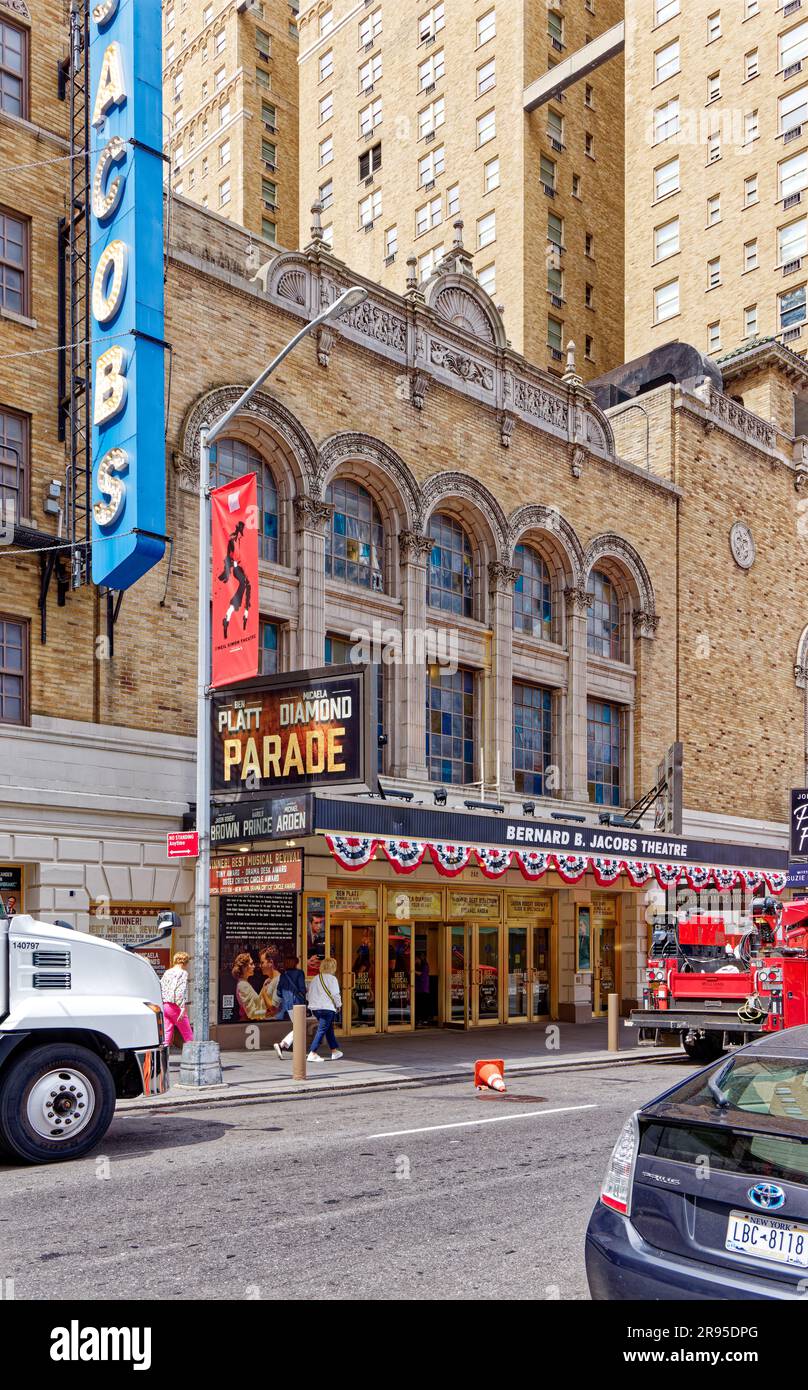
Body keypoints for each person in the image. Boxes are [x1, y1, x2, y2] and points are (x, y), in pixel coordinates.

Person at [218, 519, 251, 639]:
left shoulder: (238, 540)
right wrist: (227, 571)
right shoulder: (232, 540)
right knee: (243, 584)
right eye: (241, 529)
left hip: (240, 567)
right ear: (238, 529)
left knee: (247, 585)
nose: (242, 532)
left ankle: (237, 612)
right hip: (235, 567)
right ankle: (237, 607)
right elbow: (229, 556)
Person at [306, 956, 343, 1061]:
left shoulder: (315, 978)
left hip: (316, 1009)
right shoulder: (332, 979)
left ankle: (334, 1051)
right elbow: (336, 994)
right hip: (327, 1008)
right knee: (322, 1030)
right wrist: (339, 1005)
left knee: (328, 1028)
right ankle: (312, 1052)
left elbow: (309, 994)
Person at [273, 955, 309, 1059]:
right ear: (296, 963)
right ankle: (281, 1045)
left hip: (288, 1005)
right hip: (298, 1004)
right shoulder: (300, 973)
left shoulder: (283, 975)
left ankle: (287, 1046)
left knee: (298, 1027)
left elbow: (279, 992)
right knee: (299, 1027)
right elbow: (302, 988)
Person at [160, 951, 194, 1047]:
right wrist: (182, 1007)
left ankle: (163, 1059)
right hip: (175, 1006)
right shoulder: (183, 973)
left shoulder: (168, 972)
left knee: (167, 1033)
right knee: (187, 1034)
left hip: (165, 1005)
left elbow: (161, 986)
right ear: (186, 962)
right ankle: (194, 1058)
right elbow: (180, 990)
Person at [232, 953, 268, 1021]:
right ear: (244, 967)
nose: (254, 966)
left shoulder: (245, 983)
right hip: (250, 1025)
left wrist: (264, 988)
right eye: (251, 964)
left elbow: (255, 1001)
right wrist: (269, 1013)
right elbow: (252, 1014)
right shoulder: (243, 985)